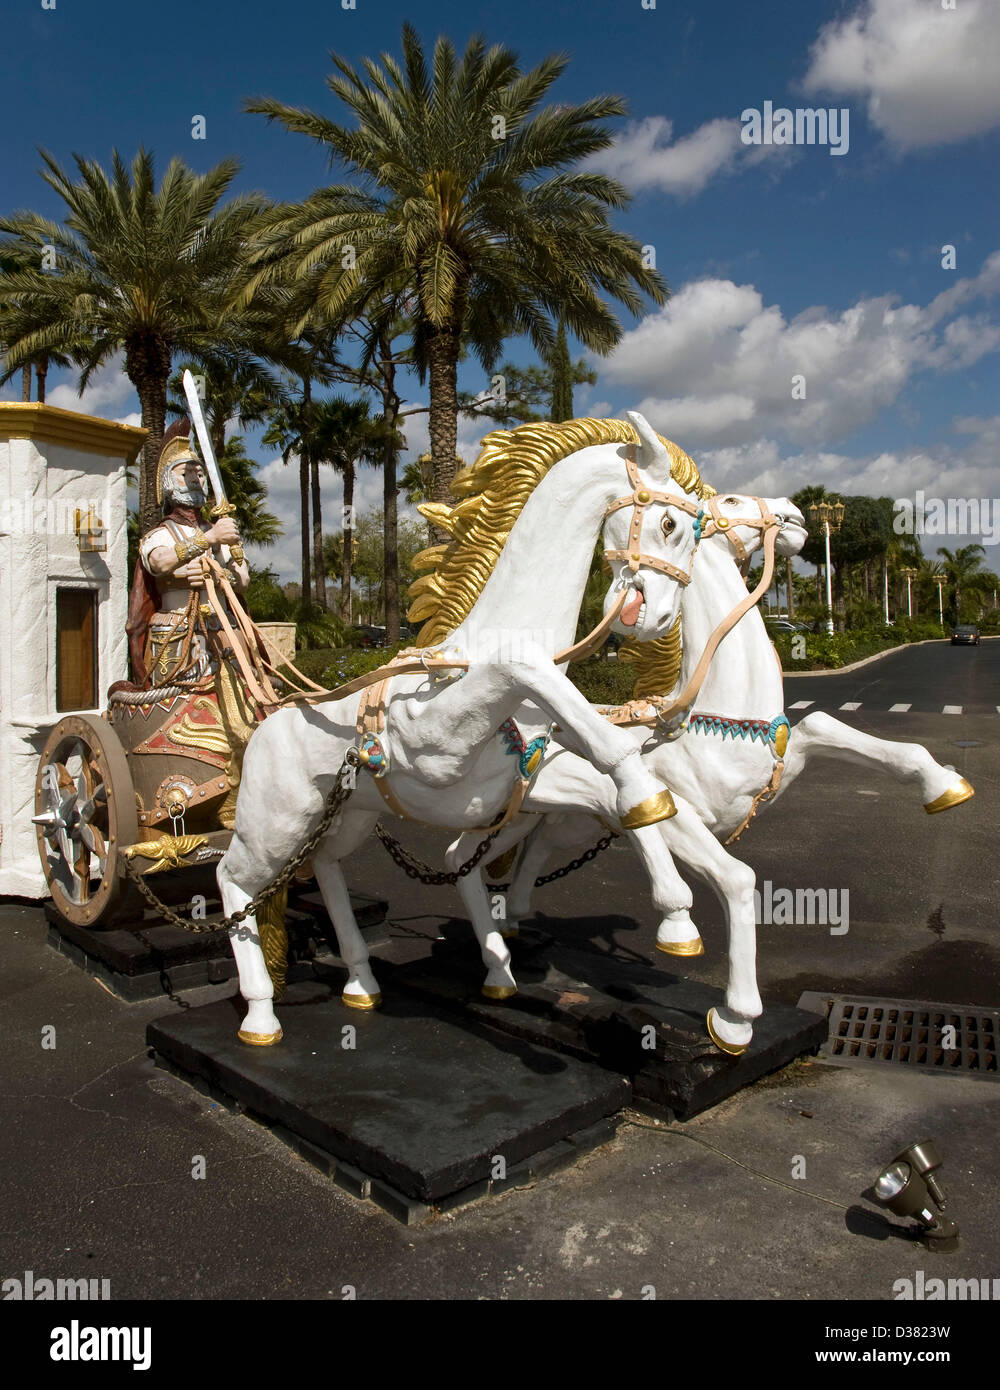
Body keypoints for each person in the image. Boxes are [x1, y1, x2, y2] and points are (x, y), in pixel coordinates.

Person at [127, 431, 249, 687]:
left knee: (239, 694)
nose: (195, 479)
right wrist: (208, 539)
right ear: (168, 482)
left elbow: (243, 581)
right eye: (186, 474)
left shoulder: (221, 531)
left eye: (200, 474)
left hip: (223, 629)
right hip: (177, 631)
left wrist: (218, 576)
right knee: (180, 699)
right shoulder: (161, 534)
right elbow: (159, 563)